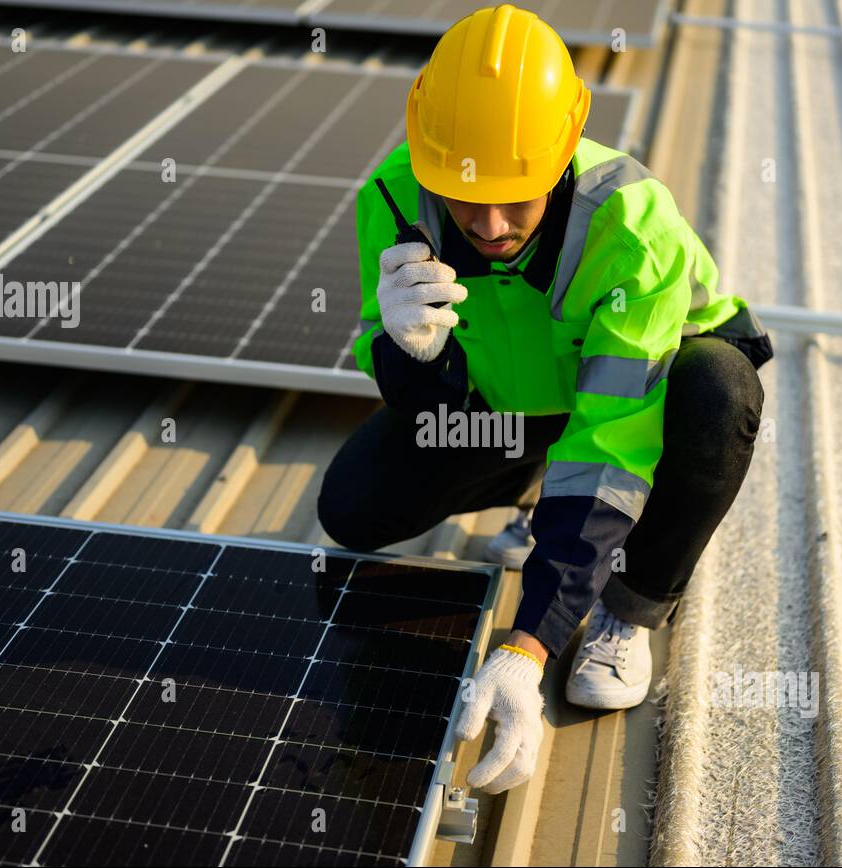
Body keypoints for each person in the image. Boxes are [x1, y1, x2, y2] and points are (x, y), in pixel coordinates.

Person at [318, 4, 770, 795]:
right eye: (467, 197)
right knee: (353, 510)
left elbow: (610, 440)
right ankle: (534, 495)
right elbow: (411, 394)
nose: (490, 225)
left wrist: (528, 647)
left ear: (563, 154)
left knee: (715, 389)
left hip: (643, 405)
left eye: (516, 196)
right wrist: (408, 353)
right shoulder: (392, 200)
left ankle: (632, 606)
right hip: (514, 405)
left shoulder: (634, 225)